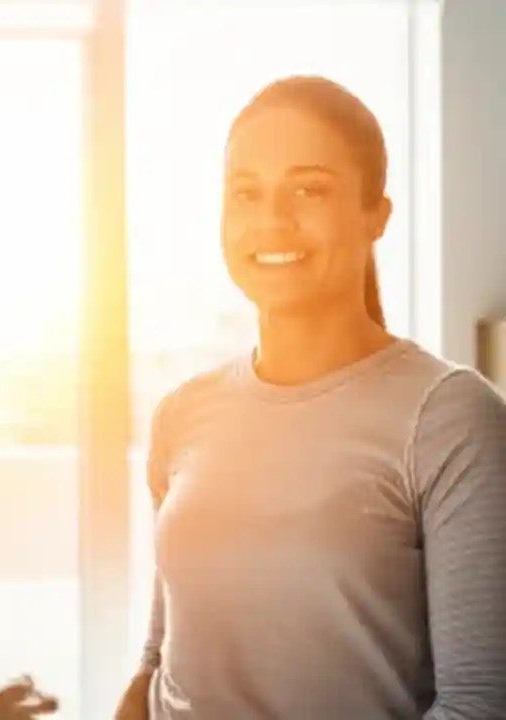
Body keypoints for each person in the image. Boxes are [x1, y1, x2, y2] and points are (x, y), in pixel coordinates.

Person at [113, 75, 506, 718]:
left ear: (375, 214)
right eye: (247, 192)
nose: (272, 219)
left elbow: (480, 703)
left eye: (309, 189)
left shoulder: (451, 419)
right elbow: (160, 661)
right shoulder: (183, 414)